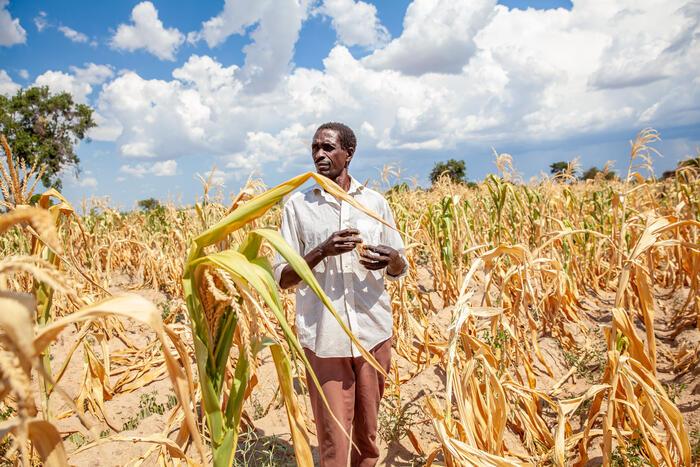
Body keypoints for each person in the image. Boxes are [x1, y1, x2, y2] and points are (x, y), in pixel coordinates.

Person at [273, 122, 407, 466]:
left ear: (349, 152)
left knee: (368, 435)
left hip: (372, 333)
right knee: (334, 437)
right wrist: (321, 250)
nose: (319, 154)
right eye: (315, 147)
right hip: (324, 338)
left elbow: (399, 265)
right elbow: (283, 277)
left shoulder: (375, 203)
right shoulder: (298, 206)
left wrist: (391, 260)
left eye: (328, 148)